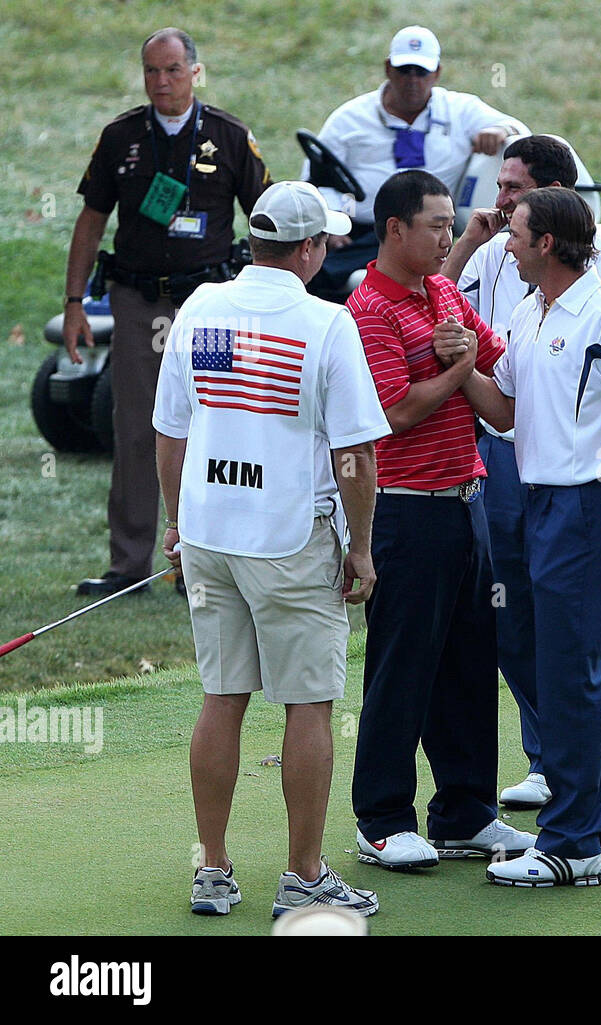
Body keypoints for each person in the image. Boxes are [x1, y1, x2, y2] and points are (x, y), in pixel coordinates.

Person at [153, 180, 389, 918]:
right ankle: (304, 872)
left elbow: (170, 430)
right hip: (291, 537)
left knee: (223, 695)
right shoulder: (327, 323)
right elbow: (355, 454)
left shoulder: (198, 307)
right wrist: (362, 548)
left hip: (211, 533)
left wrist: (176, 523)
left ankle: (214, 869)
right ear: (312, 248)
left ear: (253, 242)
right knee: (308, 703)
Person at [447, 187, 601, 887]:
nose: (509, 243)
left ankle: (572, 841)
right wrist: (462, 365)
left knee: (571, 670)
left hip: (590, 509)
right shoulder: (529, 312)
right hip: (536, 502)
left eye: (518, 234)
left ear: (549, 242)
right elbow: (504, 412)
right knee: (582, 664)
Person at [439, 134, 601, 815]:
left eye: (511, 191)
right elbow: (439, 298)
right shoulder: (514, 279)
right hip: (518, 462)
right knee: (523, 621)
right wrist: (468, 243)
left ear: (550, 222)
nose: (499, 206)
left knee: (583, 641)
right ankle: (557, 767)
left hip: (587, 485)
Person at [346, 169, 535, 869]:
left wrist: (476, 365)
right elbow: (393, 414)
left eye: (450, 223)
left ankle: (464, 812)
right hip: (405, 511)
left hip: (467, 504)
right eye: (435, 225)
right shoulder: (369, 309)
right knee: (402, 667)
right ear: (395, 229)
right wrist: (456, 368)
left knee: (466, 663)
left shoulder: (446, 291)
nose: (448, 236)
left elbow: (501, 392)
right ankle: (382, 818)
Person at [66, 27, 271, 598]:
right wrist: (74, 301)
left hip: (205, 306)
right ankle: (128, 567)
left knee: (212, 422)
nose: (162, 82)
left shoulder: (229, 137)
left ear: (196, 72)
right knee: (134, 425)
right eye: (152, 71)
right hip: (137, 300)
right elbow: (90, 220)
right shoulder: (121, 138)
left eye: (173, 70)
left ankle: (203, 560)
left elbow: (265, 220)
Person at [306, 25, 528, 300]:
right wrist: (334, 221)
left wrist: (500, 131)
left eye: (421, 72)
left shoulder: (458, 110)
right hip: (360, 228)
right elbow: (317, 179)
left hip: (426, 228)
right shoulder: (349, 119)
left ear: (436, 73)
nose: (412, 80)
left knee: (333, 269)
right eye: (404, 70)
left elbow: (519, 129)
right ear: (388, 68)